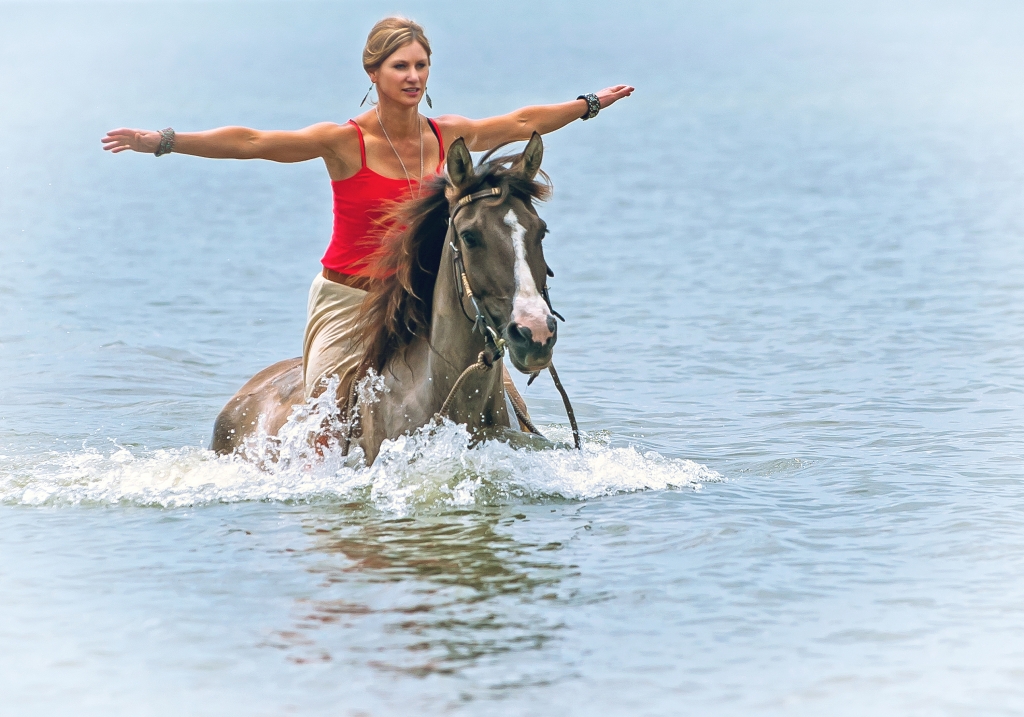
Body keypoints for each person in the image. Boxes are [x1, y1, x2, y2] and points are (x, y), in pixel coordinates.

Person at [102, 16, 634, 401]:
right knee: (326, 422)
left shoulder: (448, 134)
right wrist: (165, 140)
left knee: (506, 401)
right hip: (350, 299)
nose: (413, 77)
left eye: (421, 65)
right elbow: (253, 141)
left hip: (427, 296)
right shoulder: (342, 141)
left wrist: (588, 104)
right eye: (400, 66)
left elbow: (522, 123)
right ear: (373, 73)